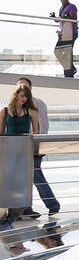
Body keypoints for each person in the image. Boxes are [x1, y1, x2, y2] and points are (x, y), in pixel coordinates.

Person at [14, 78, 60, 219]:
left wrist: (40, 144)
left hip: (34, 146)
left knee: (35, 175)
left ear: (30, 89)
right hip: (17, 146)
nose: (22, 89)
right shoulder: (13, 105)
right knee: (21, 178)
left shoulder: (38, 104)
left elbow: (43, 126)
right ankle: (25, 208)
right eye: (19, 87)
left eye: (25, 87)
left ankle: (52, 205)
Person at [0, 86, 41, 226]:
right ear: (15, 95)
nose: (24, 98)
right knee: (6, 181)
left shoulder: (31, 111)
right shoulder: (4, 111)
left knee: (20, 182)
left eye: (26, 96)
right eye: (22, 95)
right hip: (7, 152)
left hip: (23, 152)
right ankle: (5, 213)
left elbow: (35, 131)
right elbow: (0, 133)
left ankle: (13, 213)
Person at [52, 0, 78, 78]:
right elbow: (61, 19)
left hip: (71, 33)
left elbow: (73, 17)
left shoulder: (72, 6)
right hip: (64, 33)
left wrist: (64, 17)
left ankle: (68, 73)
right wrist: (55, 18)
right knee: (57, 51)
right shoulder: (61, 9)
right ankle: (70, 70)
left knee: (67, 53)